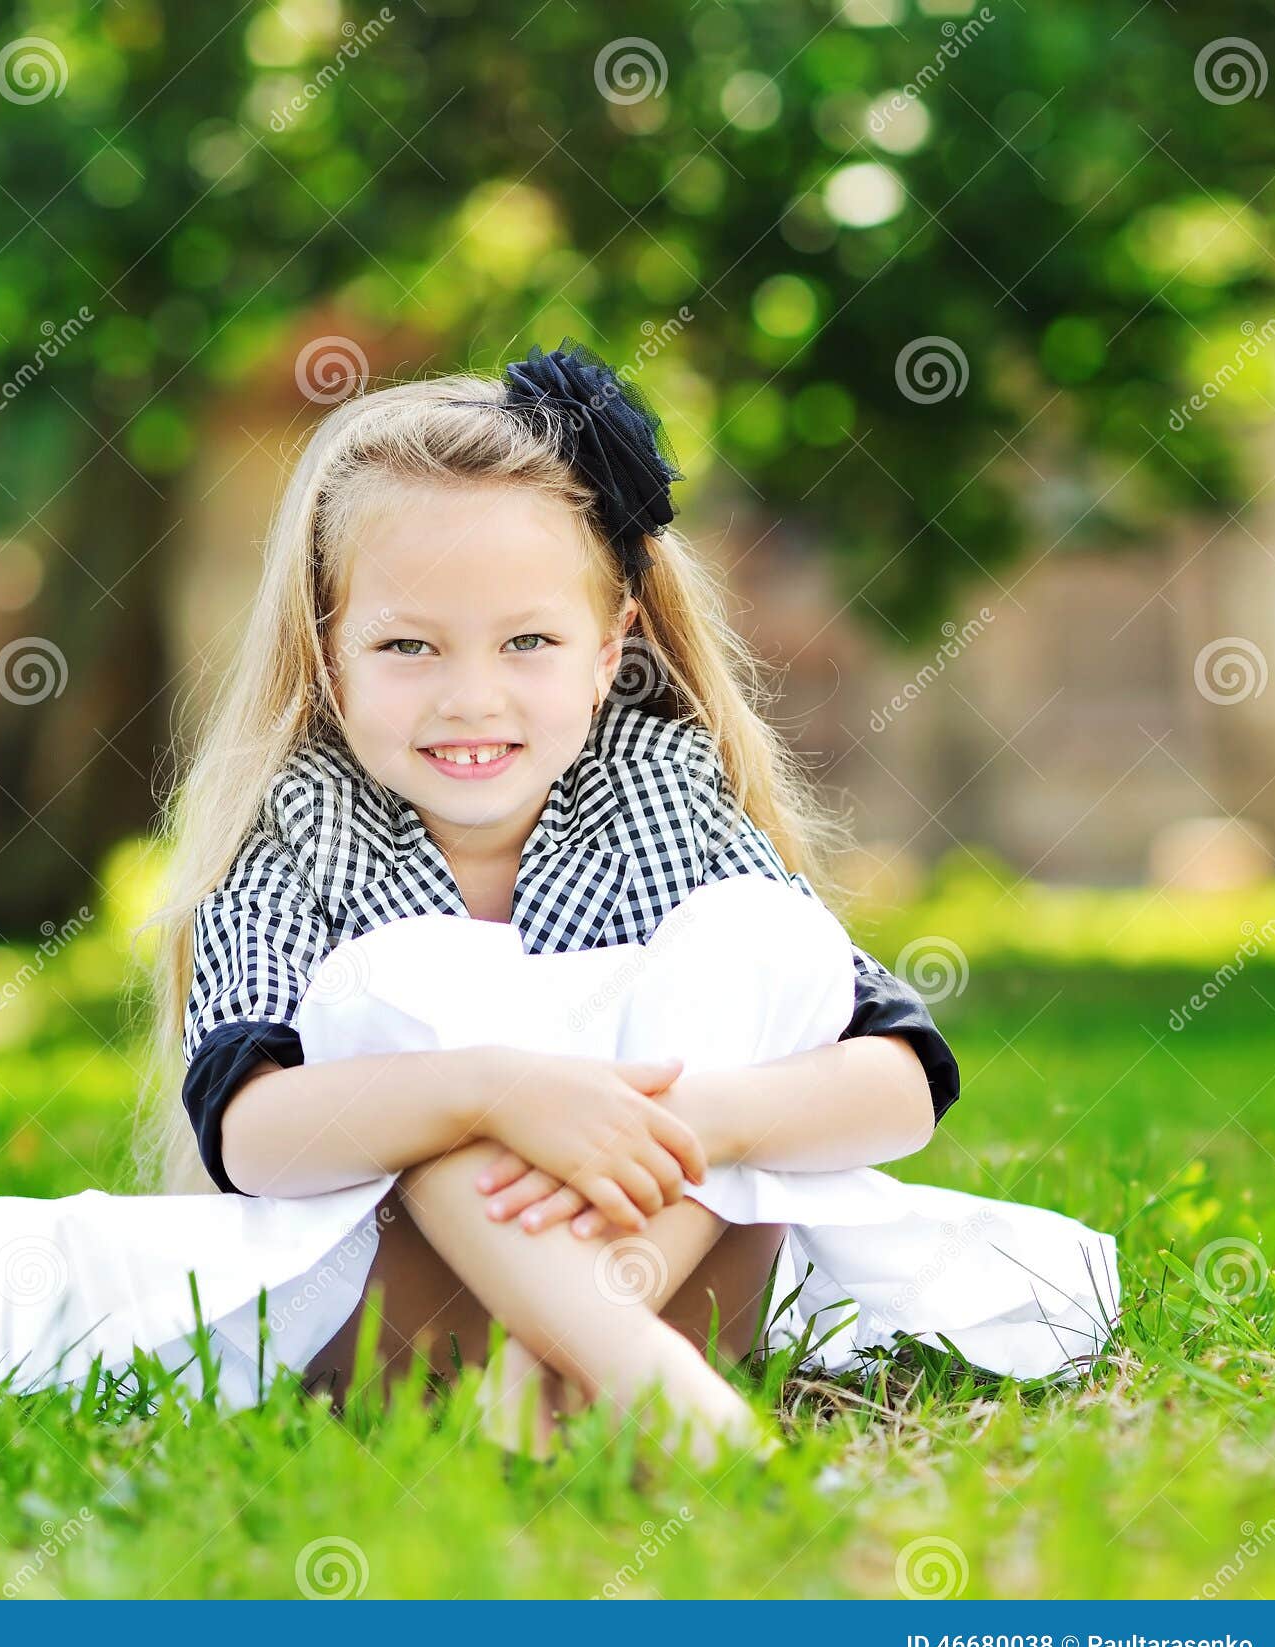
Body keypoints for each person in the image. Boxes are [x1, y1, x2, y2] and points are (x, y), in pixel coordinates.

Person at [151, 338, 961, 1465]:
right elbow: (248, 1135)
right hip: (403, 1323)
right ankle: (638, 1376)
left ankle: (554, 1371)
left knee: (760, 937)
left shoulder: (662, 794)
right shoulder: (298, 833)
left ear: (607, 650)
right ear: (327, 655)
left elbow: (902, 1083)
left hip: (676, 1281)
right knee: (405, 992)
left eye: (527, 641)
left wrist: (674, 1128)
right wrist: (494, 1094)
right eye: (407, 645)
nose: (470, 697)